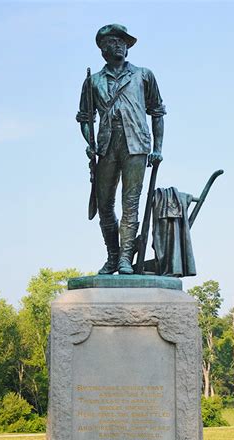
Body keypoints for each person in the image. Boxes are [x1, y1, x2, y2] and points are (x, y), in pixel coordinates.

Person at [77, 24, 166, 274]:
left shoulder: (143, 75)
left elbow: (157, 112)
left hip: (136, 144)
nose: (119, 45)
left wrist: (157, 148)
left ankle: (126, 258)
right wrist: (91, 143)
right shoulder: (92, 82)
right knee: (104, 204)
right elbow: (85, 118)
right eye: (113, 41)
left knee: (131, 203)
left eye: (123, 41)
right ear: (102, 49)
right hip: (106, 146)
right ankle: (112, 256)